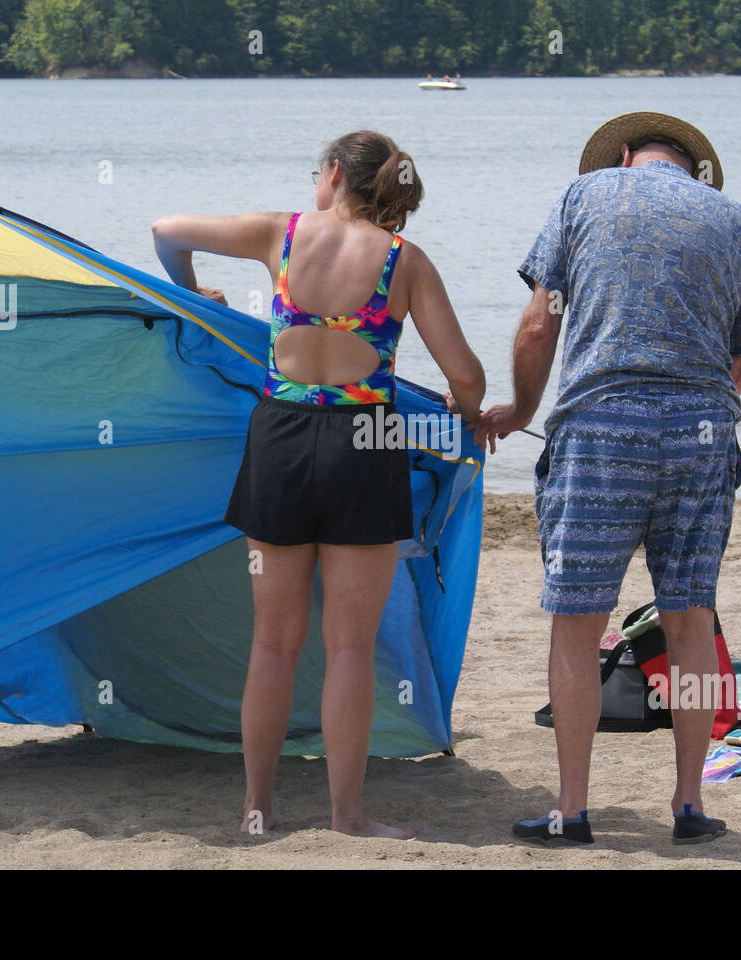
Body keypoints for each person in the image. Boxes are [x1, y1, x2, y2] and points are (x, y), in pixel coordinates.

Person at [152, 130, 485, 840]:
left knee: (273, 642)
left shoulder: (279, 233)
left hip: (280, 438)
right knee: (349, 647)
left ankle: (258, 805)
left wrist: (192, 293)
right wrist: (464, 410)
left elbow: (165, 231)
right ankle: (347, 816)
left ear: (333, 173)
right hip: (366, 445)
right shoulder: (403, 261)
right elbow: (465, 374)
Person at [474, 111, 741, 846]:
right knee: (690, 619)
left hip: (602, 430)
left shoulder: (584, 196)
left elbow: (539, 324)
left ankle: (572, 811)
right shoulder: (737, 222)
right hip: (702, 433)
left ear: (626, 153)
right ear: (692, 167)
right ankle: (689, 807)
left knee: (578, 622)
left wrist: (521, 410)